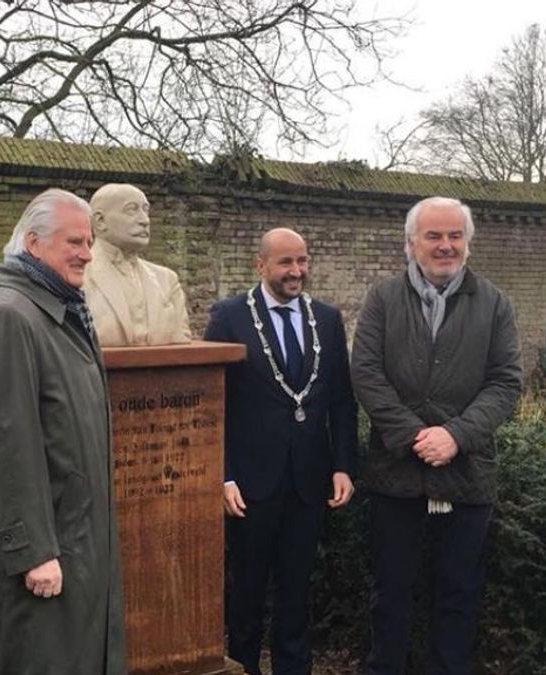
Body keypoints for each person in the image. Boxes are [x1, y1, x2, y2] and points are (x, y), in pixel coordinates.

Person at [351, 196, 522, 675]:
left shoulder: (494, 303)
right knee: (390, 592)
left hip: (467, 473)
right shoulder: (382, 298)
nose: (445, 246)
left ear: (467, 242)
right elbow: (365, 373)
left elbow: (505, 382)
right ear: (411, 244)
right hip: (395, 474)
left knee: (458, 593)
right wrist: (414, 436)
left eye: (455, 236)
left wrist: (455, 436)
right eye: (434, 236)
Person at [0, 188, 125, 674]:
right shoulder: (8, 319)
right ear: (33, 244)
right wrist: (32, 553)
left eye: (89, 241)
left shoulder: (58, 313)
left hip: (79, 546)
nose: (87, 253)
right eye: (74, 242)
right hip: (47, 559)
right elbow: (4, 448)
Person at [203, 227, 358, 675]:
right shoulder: (229, 317)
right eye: (286, 263)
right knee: (248, 591)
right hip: (250, 483)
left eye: (303, 261)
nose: (297, 271)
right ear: (261, 265)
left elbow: (341, 400)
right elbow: (215, 403)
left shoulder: (326, 318)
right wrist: (223, 475)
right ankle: (243, 667)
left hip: (308, 480)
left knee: (296, 591)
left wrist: (344, 465)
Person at [83, 183, 192, 346]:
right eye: (131, 210)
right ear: (100, 221)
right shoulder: (77, 276)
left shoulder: (167, 280)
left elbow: (181, 343)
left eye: (146, 210)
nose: (144, 220)